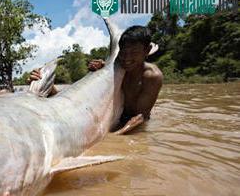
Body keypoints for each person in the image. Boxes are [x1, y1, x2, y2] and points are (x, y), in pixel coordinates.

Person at [29, 26, 163, 135]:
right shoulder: (115, 69)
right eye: (123, 53)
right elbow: (73, 104)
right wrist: (44, 83)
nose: (127, 58)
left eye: (134, 53)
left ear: (147, 50)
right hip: (114, 117)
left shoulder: (152, 76)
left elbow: (141, 116)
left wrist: (117, 137)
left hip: (134, 124)